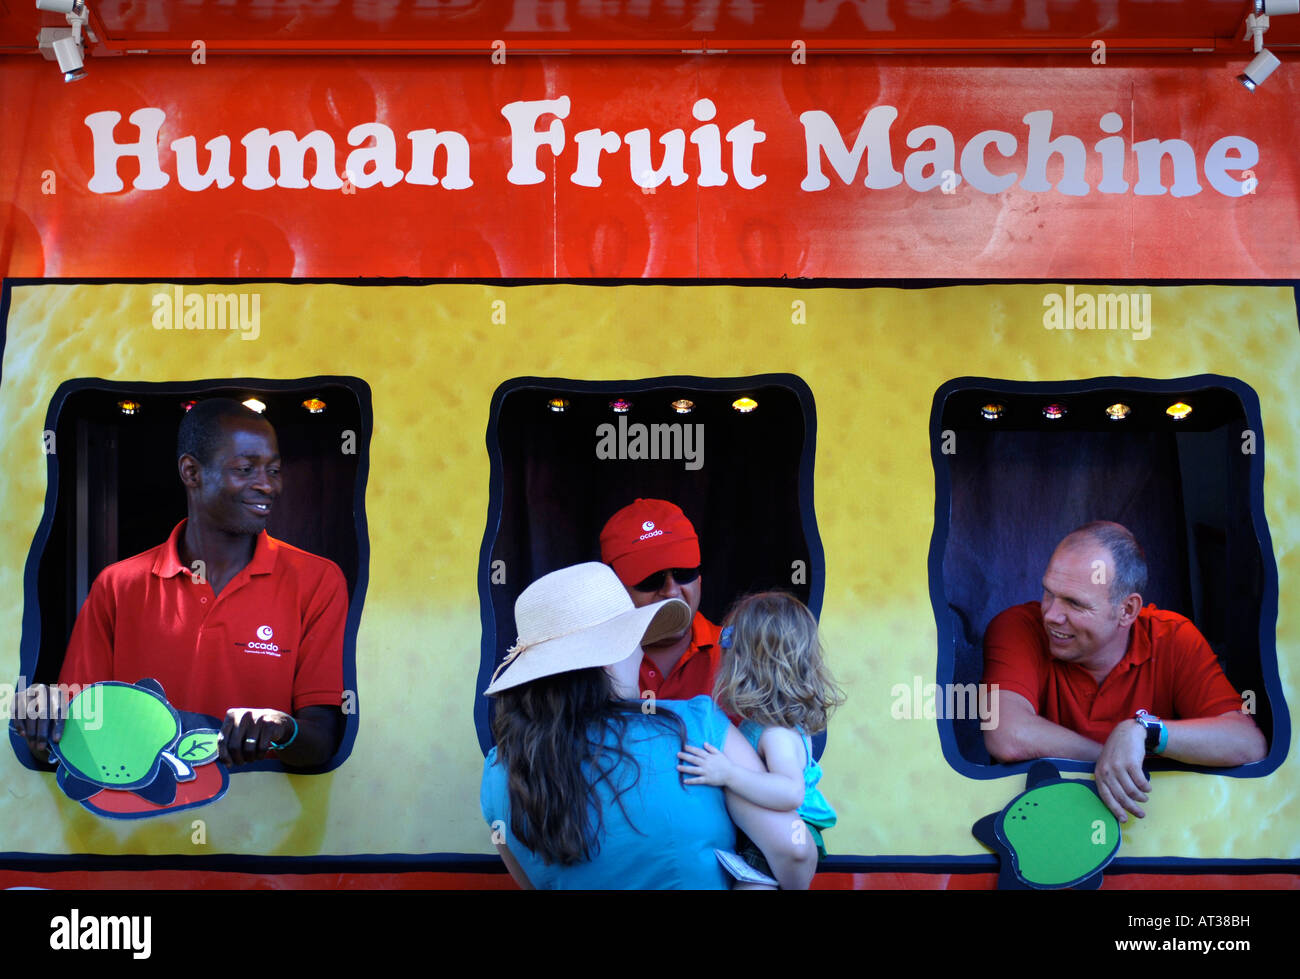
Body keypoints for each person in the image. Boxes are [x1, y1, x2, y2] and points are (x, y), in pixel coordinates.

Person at [11, 398, 347, 769]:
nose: (267, 485)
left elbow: (323, 741)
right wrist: (40, 721)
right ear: (191, 472)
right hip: (141, 823)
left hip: (266, 824)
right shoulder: (118, 586)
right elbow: (75, 739)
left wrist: (284, 730)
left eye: (275, 470)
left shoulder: (317, 581)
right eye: (246, 468)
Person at [479, 562, 818, 889]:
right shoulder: (697, 724)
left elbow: (530, 882)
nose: (641, 653)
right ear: (611, 659)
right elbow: (794, 850)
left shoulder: (498, 770)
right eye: (634, 641)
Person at [982, 521, 1267, 821]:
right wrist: (1114, 756)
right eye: (1049, 593)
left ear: (1128, 610)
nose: (1051, 615)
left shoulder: (1173, 638)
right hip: (1047, 829)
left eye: (1074, 603)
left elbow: (1248, 743)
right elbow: (1007, 735)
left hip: (1156, 834)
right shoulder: (1017, 627)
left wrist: (1143, 732)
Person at [676, 592, 845, 876]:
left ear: (746, 664)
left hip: (786, 834)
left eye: (727, 647)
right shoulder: (768, 725)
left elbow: (790, 792)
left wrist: (727, 773)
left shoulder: (775, 734)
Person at [599, 498, 721, 700]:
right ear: (615, 588)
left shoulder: (738, 654)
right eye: (650, 579)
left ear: (699, 579)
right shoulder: (589, 664)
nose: (671, 591)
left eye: (683, 572)